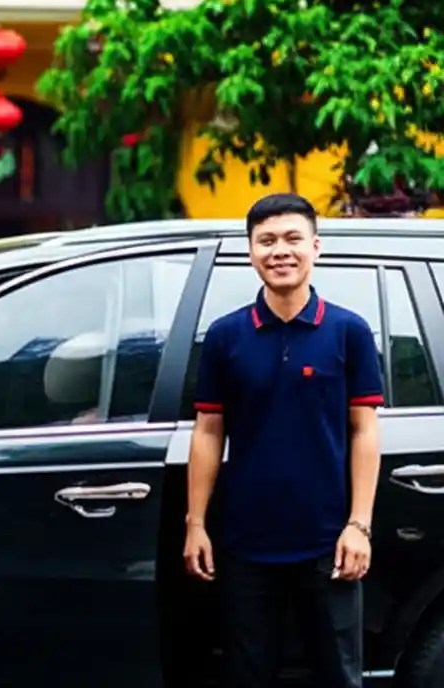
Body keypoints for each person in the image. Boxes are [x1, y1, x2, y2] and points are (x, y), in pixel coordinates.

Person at [183, 193, 383, 687]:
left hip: (328, 542)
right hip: (244, 543)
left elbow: (364, 431)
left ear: (316, 247)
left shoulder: (348, 332)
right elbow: (208, 431)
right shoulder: (226, 336)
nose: (280, 251)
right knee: (247, 673)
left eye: (293, 238)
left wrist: (359, 525)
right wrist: (196, 523)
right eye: (266, 240)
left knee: (338, 675)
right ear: (250, 251)